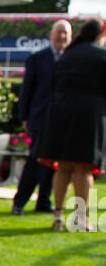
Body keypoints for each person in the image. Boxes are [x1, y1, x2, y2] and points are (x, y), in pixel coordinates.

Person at [37, 17, 106, 232]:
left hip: (60, 113)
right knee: (84, 167)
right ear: (100, 35)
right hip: (89, 114)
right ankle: (81, 218)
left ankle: (58, 214)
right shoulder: (101, 55)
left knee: (64, 166)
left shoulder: (66, 55)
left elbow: (53, 84)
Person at [11, 19, 72, 216]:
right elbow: (27, 90)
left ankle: (44, 201)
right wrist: (24, 117)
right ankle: (19, 202)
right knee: (35, 162)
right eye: (59, 32)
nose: (62, 36)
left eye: (65, 33)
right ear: (51, 35)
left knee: (55, 164)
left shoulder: (72, 59)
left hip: (62, 120)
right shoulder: (38, 58)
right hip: (40, 119)